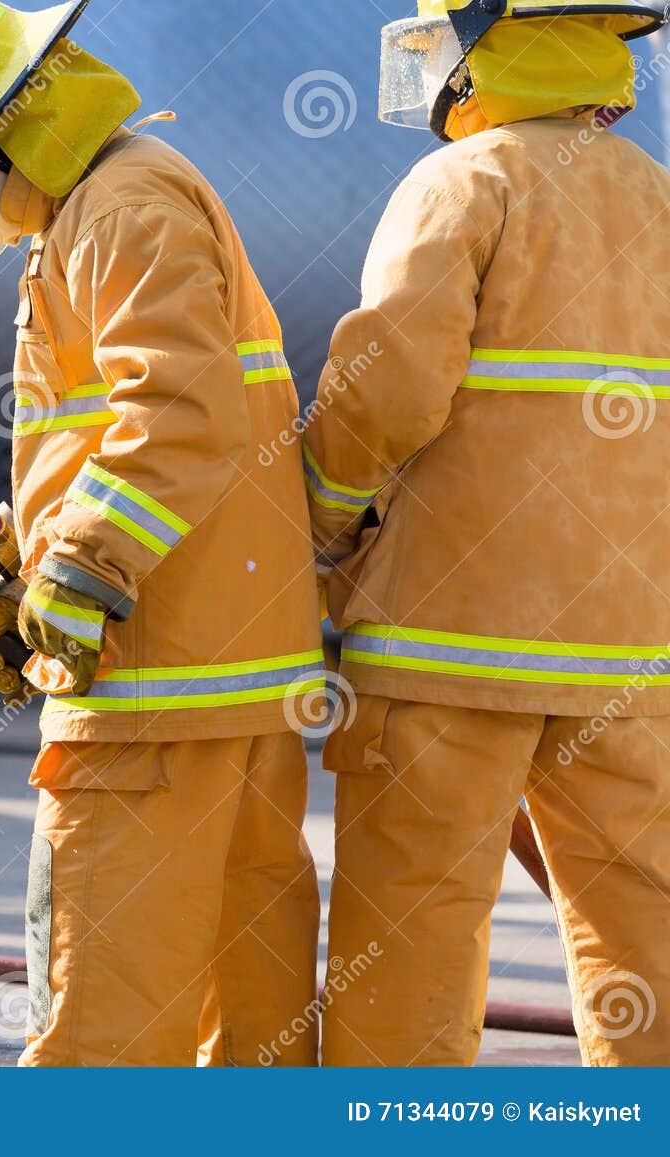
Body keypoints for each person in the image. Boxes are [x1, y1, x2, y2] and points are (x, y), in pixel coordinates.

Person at [0, 0, 325, 1065]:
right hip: (218, 680)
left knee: (99, 1024)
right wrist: (24, 554)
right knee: (249, 1017)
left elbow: (176, 411)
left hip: (148, 696)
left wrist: (76, 570)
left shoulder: (115, 210)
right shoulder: (115, 200)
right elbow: (134, 427)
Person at [305, 0, 670, 1066]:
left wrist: (321, 521)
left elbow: (386, 391)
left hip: (446, 645)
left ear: (475, 47)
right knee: (640, 929)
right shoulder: (656, 198)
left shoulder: (464, 183)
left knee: (410, 938)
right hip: (628, 653)